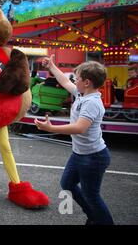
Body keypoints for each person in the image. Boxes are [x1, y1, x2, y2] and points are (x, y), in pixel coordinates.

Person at [34, 55, 114, 225]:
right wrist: (52, 67)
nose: (73, 80)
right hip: (80, 154)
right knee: (67, 183)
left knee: (91, 195)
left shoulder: (92, 102)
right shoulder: (81, 93)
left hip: (93, 157)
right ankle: (93, 216)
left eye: (76, 78)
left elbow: (79, 128)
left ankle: (102, 221)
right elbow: (64, 81)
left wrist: (51, 128)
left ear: (87, 82)